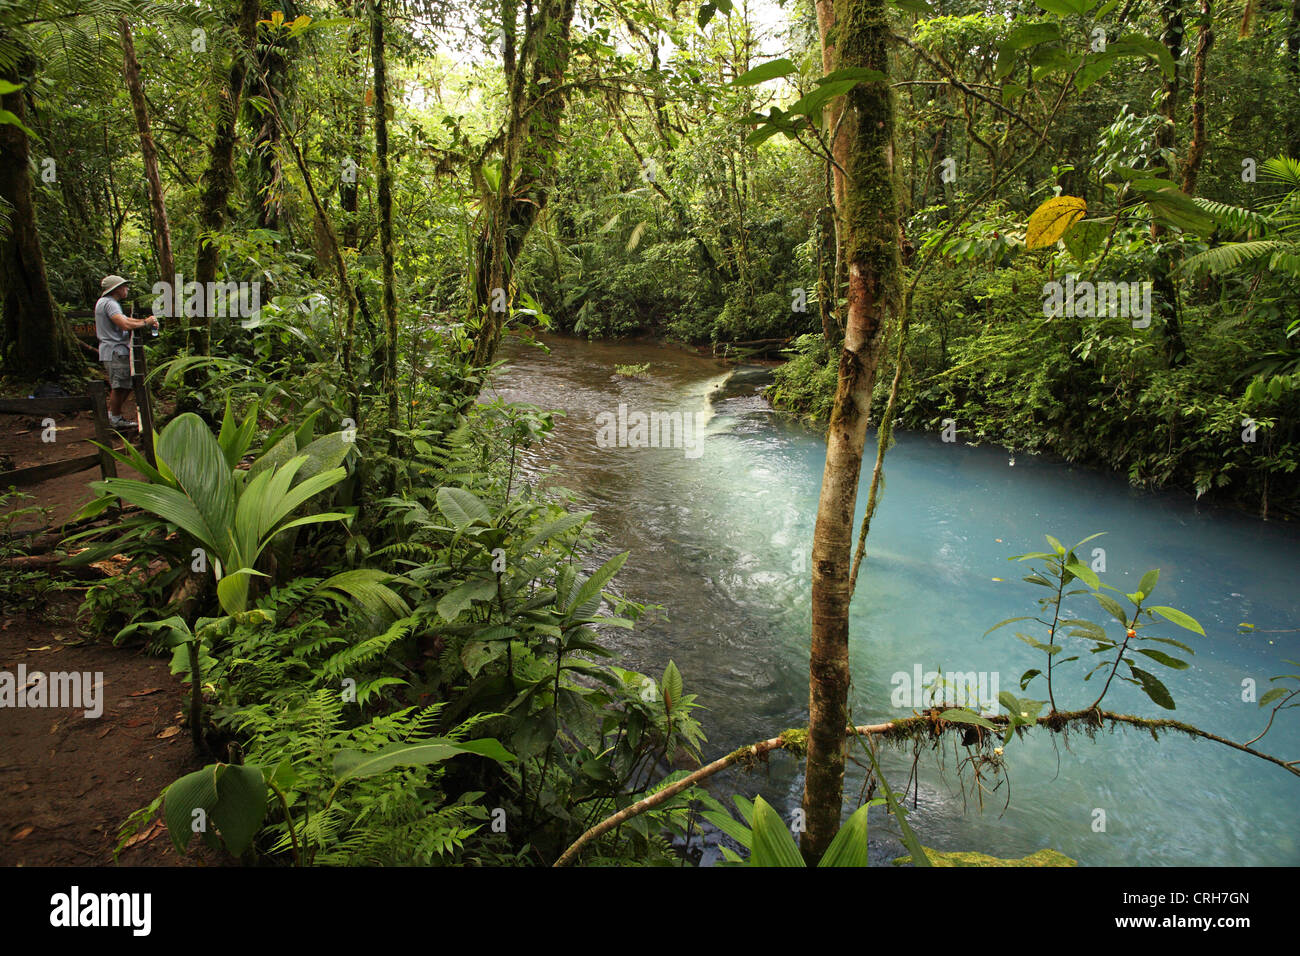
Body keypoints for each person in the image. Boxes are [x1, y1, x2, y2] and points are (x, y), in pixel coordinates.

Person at [94, 275, 157, 430]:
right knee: (119, 386)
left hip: (115, 350)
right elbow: (124, 324)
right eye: (124, 286)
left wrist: (145, 322)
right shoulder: (110, 303)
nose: (126, 289)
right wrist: (145, 322)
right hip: (114, 350)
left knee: (126, 384)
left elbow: (127, 321)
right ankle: (114, 418)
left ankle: (114, 416)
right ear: (116, 289)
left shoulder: (108, 303)